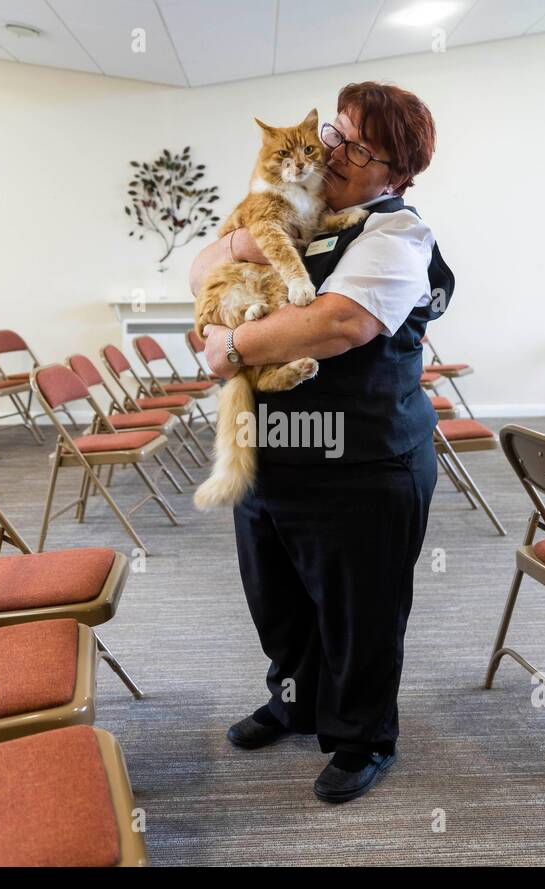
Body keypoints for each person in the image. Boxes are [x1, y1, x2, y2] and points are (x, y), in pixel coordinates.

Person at [188, 81, 453, 803]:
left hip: (362, 463)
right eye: (334, 133)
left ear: (396, 172)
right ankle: (297, 700)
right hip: (272, 452)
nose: (333, 153)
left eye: (357, 147)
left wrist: (231, 344)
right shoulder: (299, 213)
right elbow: (198, 268)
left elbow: (338, 324)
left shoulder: (395, 234)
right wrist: (236, 245)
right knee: (280, 602)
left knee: (357, 611)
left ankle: (362, 737)